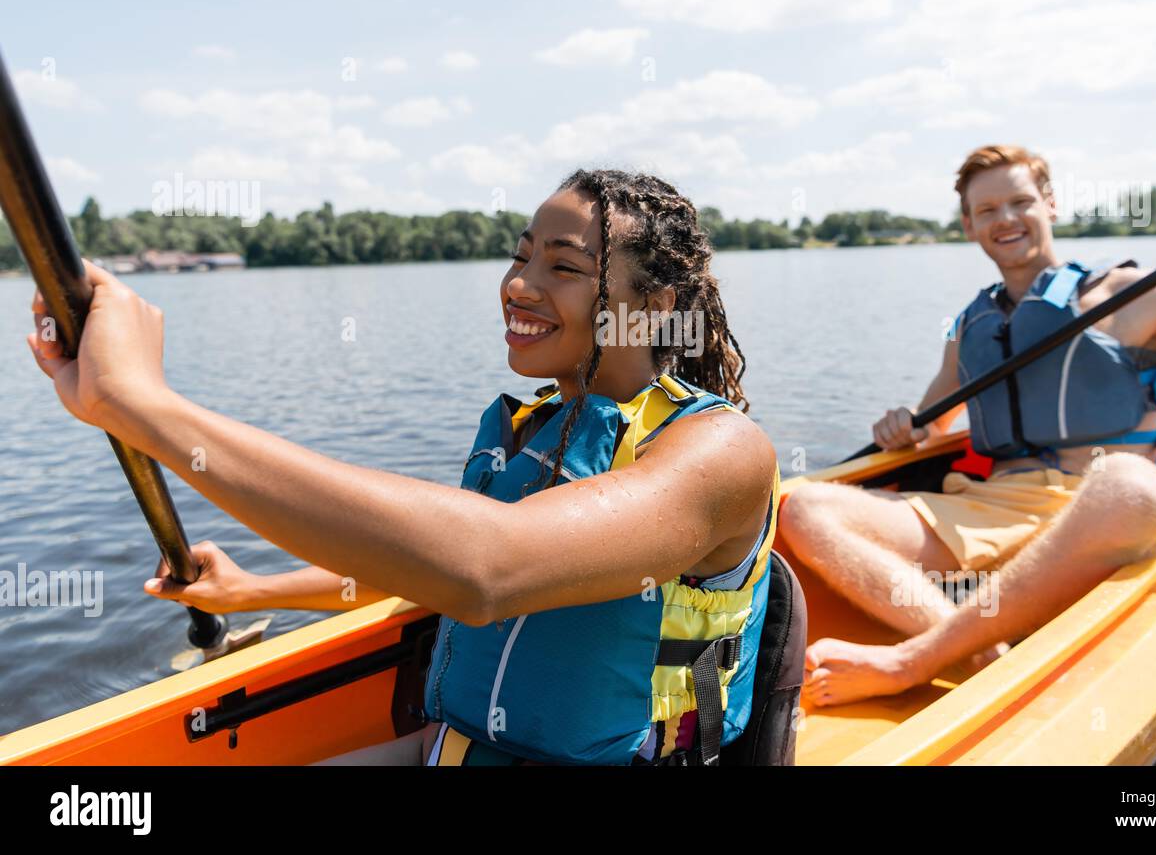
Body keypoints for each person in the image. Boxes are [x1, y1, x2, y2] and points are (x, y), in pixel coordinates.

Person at [28, 169, 779, 765]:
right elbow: (423, 564)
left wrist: (139, 405)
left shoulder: (718, 454)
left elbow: (486, 568)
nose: (520, 284)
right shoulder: (536, 433)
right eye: (520, 256)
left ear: (652, 305)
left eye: (565, 266)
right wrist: (256, 588)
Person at [781, 145, 1156, 706]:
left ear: (1050, 204)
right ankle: (976, 651)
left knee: (1133, 485)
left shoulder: (1138, 294)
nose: (1005, 219)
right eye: (987, 210)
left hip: (1105, 509)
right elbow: (929, 425)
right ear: (968, 225)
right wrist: (903, 426)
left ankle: (915, 659)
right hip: (996, 508)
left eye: (1020, 201)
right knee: (808, 507)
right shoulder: (970, 326)